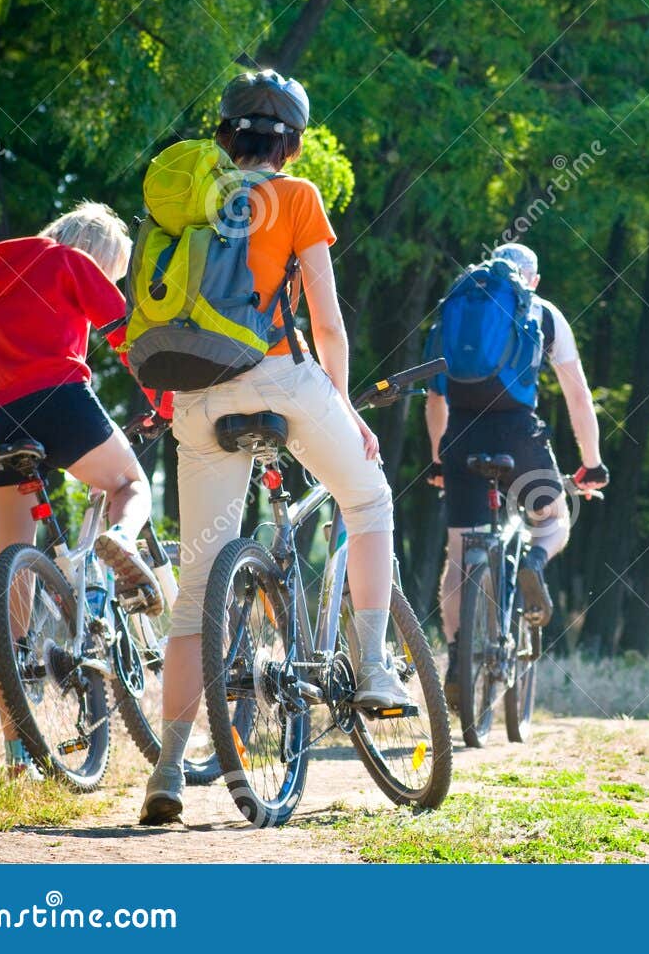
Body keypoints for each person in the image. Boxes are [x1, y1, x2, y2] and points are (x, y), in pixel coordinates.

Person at [139, 70, 411, 826]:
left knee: (198, 590)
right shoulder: (295, 198)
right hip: (279, 381)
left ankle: (166, 768)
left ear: (224, 134)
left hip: (196, 395)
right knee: (368, 497)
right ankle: (376, 665)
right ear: (290, 143)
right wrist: (346, 406)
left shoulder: (187, 197)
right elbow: (327, 323)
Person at [0, 202, 169, 777]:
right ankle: (120, 536)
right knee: (130, 481)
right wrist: (165, 403)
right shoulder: (71, 263)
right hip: (64, 403)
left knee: (9, 593)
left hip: (8, 425)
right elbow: (128, 338)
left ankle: (19, 756)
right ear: (101, 256)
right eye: (113, 272)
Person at [425, 243, 608, 698]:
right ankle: (533, 560)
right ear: (534, 280)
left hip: (461, 438)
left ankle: (456, 659)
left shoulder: (458, 307)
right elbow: (578, 395)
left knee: (458, 554)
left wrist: (437, 460)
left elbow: (435, 397)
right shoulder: (543, 313)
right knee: (555, 521)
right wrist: (591, 463)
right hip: (518, 439)